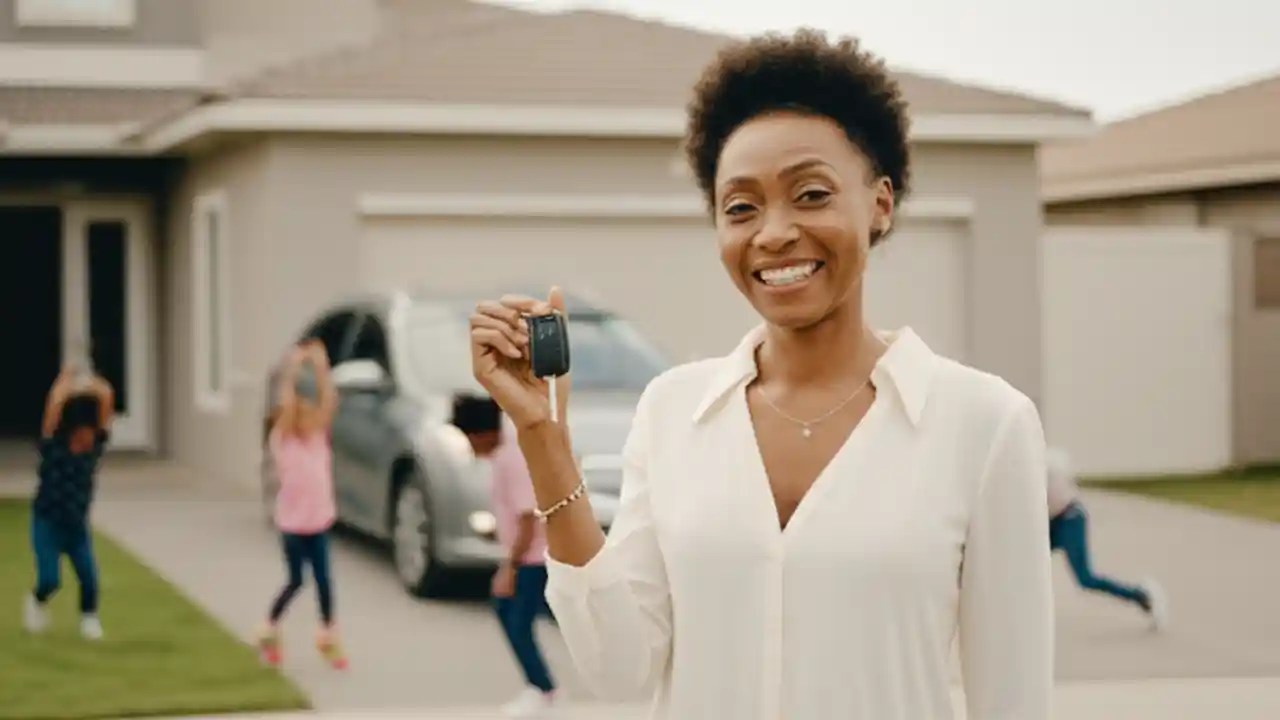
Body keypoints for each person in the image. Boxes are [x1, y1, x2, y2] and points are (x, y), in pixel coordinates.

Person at [469, 28, 1054, 720]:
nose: (773, 233)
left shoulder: (985, 425)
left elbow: (1013, 699)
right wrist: (542, 440)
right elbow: (619, 668)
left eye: (810, 194)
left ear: (880, 203)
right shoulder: (672, 411)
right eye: (741, 207)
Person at [452, 394, 558, 718]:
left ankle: (543, 689)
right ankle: (540, 687)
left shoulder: (512, 460)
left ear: (482, 434)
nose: (469, 446)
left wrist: (509, 568)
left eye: (469, 438)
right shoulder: (504, 456)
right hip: (528, 554)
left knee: (516, 620)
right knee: (516, 615)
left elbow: (528, 517)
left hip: (533, 558)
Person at [256, 339, 347, 670]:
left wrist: (321, 368)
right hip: (293, 527)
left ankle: (328, 635)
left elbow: (328, 401)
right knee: (296, 580)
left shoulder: (318, 439)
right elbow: (289, 402)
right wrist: (294, 368)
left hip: (318, 523)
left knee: (324, 581)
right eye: (302, 412)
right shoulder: (284, 440)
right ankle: (269, 628)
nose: (309, 416)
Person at [23, 364, 115, 640]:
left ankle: (89, 619)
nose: (89, 439)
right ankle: (37, 601)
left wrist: (91, 382)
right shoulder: (53, 449)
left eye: (92, 434)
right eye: (84, 434)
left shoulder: (92, 454)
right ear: (73, 432)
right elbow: (53, 409)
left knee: (89, 577)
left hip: (76, 527)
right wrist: (64, 384)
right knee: (50, 579)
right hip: (47, 523)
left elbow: (106, 399)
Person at [1047, 446, 1168, 629]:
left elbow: (1058, 487)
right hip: (1052, 521)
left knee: (1086, 579)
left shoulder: (1048, 464)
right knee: (1023, 565)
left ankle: (1142, 596)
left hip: (1069, 519)